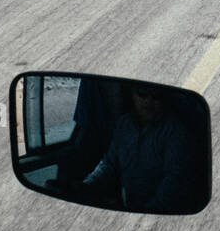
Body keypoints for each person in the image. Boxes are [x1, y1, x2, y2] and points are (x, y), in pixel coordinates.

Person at [78, 85, 198, 213]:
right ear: (132, 95)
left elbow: (174, 181)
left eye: (156, 97)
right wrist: (87, 185)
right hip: (128, 205)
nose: (148, 101)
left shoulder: (175, 133)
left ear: (165, 99)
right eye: (142, 94)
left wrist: (146, 213)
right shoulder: (124, 124)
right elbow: (109, 164)